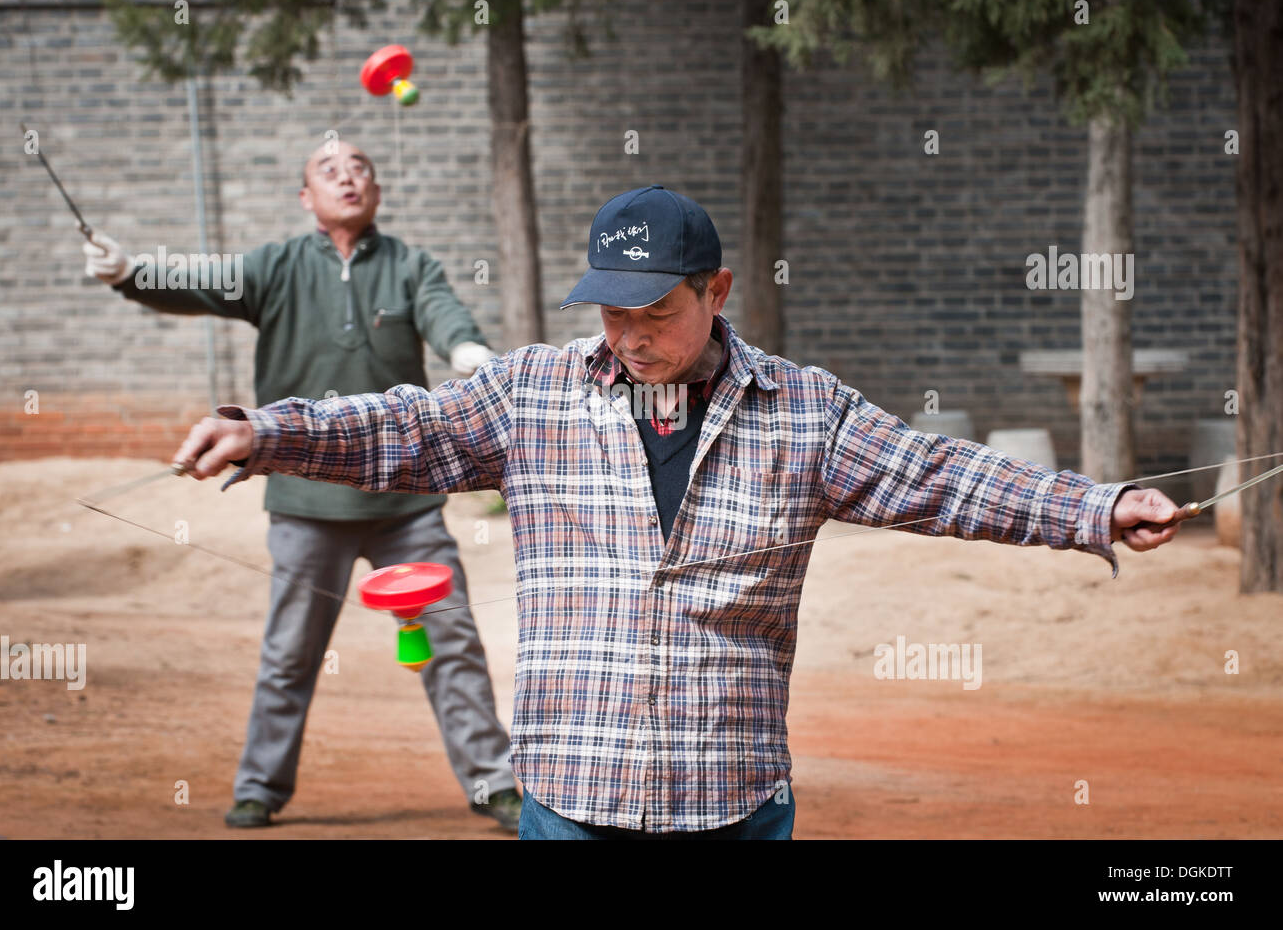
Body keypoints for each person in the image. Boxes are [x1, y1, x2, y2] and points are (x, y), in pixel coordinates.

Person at [168, 184, 1184, 839]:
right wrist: (268, 431)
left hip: (729, 792)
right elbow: (406, 429)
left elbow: (943, 476)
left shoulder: (804, 410)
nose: (630, 333)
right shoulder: (534, 393)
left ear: (717, 291)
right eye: (612, 308)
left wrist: (1095, 506)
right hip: (570, 790)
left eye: (655, 310)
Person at [81, 141, 521, 831]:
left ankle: (496, 784)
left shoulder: (411, 265)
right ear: (305, 198)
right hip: (304, 506)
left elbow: (445, 317)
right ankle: (260, 786)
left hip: (406, 507)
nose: (349, 177)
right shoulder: (274, 267)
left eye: (361, 168)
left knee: (451, 640)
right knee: (290, 652)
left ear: (376, 190)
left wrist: (468, 351)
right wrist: (128, 273)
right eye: (330, 170)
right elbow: (196, 279)